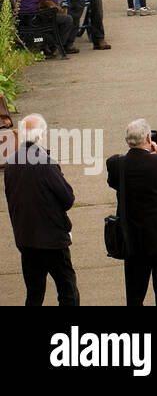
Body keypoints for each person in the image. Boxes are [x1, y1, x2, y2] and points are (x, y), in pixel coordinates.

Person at [106, 118, 157, 306]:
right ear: (148, 137)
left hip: (132, 240)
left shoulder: (115, 164)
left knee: (135, 293)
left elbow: (113, 183)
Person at [2, 114, 80, 306]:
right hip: (52, 240)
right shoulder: (46, 162)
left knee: (34, 293)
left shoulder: (11, 163)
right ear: (41, 135)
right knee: (67, 290)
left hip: (26, 239)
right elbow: (68, 198)